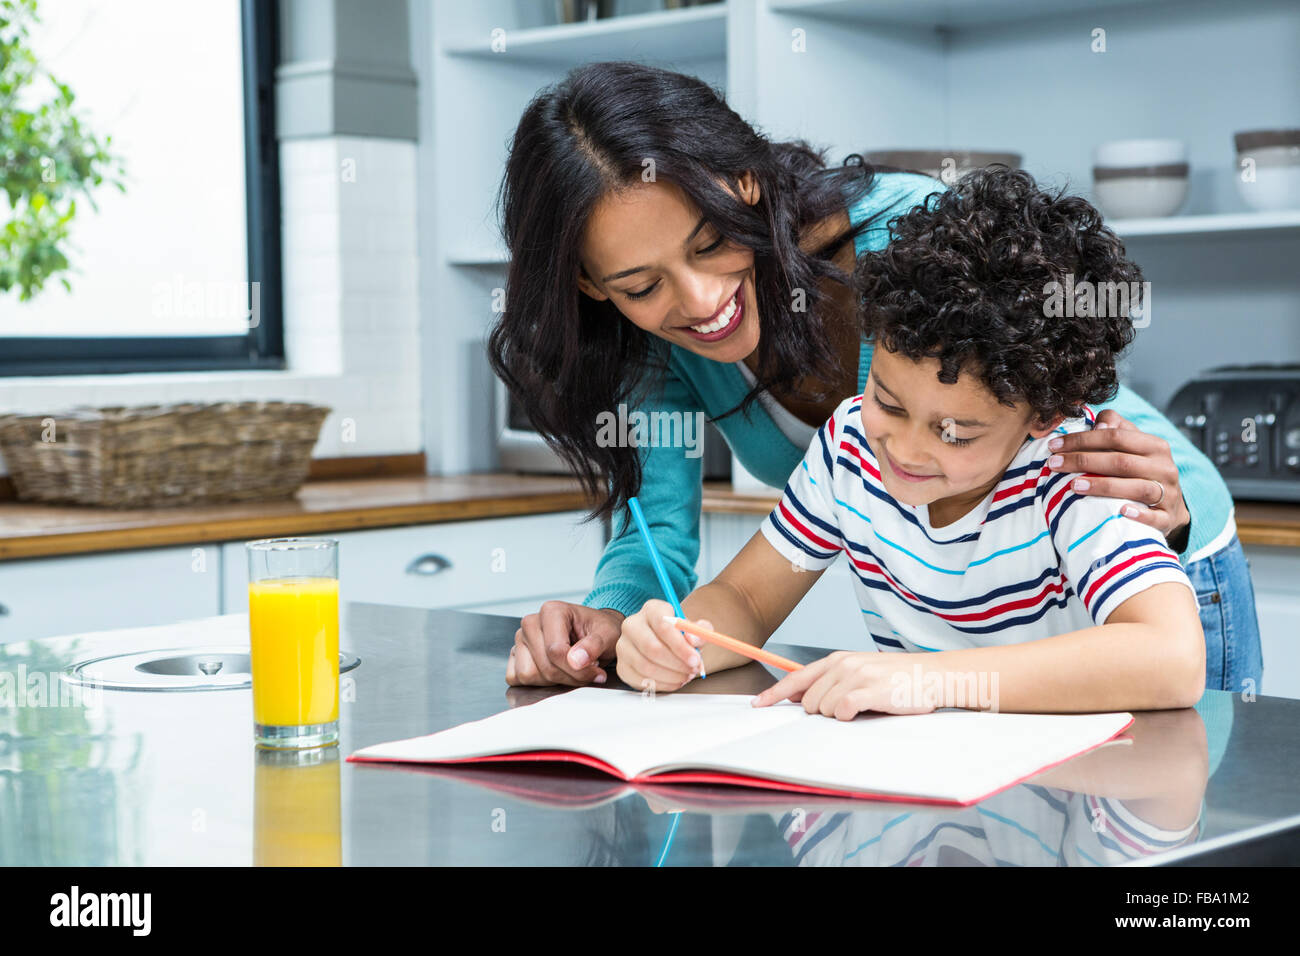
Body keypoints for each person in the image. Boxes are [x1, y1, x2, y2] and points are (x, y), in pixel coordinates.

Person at [488, 61, 1261, 693]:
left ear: (745, 184)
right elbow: (685, 554)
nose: (698, 302)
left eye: (709, 242)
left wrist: (929, 681)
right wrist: (622, 633)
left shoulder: (920, 261)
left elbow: (1159, 651)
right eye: (640, 285)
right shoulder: (853, 445)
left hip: (1145, 531)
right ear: (593, 286)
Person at [616, 167, 1204, 716]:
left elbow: (1172, 659)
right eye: (889, 403)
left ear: (1044, 416)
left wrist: (931, 679)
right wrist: (680, 637)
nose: (904, 450)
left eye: (955, 432)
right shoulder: (849, 447)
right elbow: (744, 598)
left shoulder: (1073, 474)